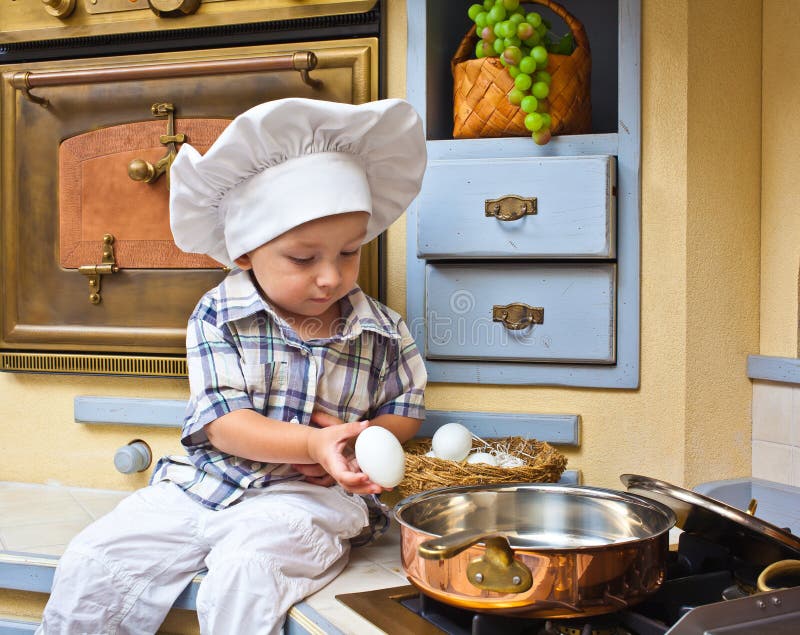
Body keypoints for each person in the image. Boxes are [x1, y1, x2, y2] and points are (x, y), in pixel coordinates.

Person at [37, 98, 428, 634]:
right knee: (97, 558)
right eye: (303, 258)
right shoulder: (219, 316)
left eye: (349, 252)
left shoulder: (382, 330)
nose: (330, 278)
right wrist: (311, 444)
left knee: (248, 570)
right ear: (245, 252)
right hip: (208, 484)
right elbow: (225, 423)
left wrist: (360, 442)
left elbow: (405, 411)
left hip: (309, 499)